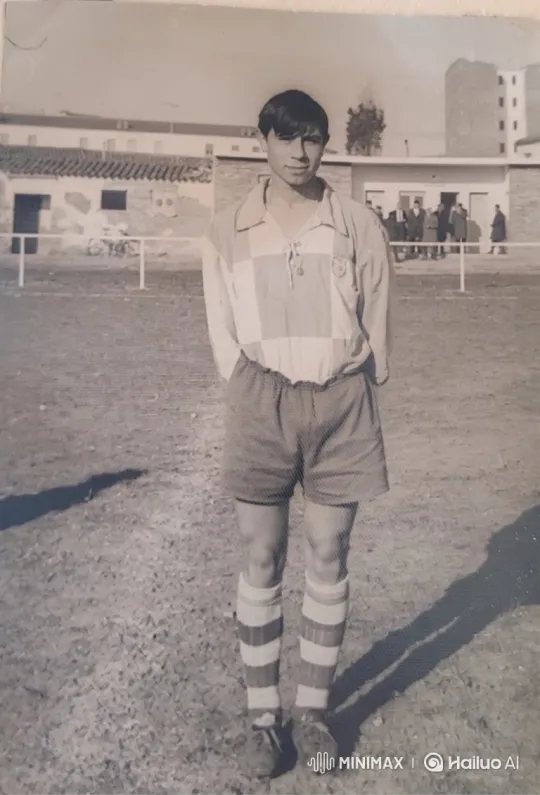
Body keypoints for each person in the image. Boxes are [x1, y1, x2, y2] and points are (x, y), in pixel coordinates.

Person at [202, 89, 394, 780]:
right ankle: (264, 719)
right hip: (262, 401)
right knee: (261, 555)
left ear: (325, 144)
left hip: (340, 402)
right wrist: (247, 383)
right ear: (264, 141)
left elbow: (378, 310)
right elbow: (219, 318)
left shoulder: (355, 222)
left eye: (312, 139)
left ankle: (310, 712)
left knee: (329, 548)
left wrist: (358, 371)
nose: (300, 152)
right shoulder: (230, 226)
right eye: (287, 138)